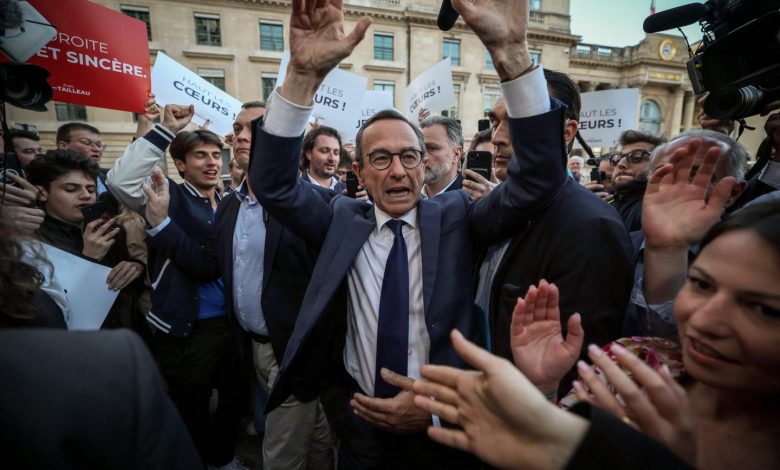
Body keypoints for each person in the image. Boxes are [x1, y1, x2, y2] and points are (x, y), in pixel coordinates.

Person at [248, 0, 572, 466]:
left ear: (425, 164)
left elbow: (539, 177)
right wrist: (301, 77)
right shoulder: (340, 219)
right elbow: (273, 184)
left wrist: (512, 54)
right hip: (358, 426)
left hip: (444, 430)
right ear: (359, 172)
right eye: (381, 158)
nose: (398, 171)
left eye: (410, 156)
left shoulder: (458, 217)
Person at [470, 69, 633, 393]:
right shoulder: (486, 209)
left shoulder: (592, 226)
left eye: (516, 121)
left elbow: (580, 371)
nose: (497, 137)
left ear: (566, 132)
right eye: (495, 121)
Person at [107, 105, 242, 468]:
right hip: (186, 327)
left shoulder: (230, 201)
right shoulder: (168, 196)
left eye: (215, 155)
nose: (211, 162)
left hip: (231, 324)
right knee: (190, 406)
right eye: (200, 155)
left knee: (233, 402)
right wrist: (165, 130)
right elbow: (120, 182)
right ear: (180, 165)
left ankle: (222, 459)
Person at [215, 101, 333, 469]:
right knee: (318, 436)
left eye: (255, 129)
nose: (240, 136)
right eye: (237, 128)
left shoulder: (315, 203)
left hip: (293, 354)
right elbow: (212, 266)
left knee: (280, 457)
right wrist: (160, 226)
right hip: (253, 347)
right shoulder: (229, 206)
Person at [26, 150, 146, 330]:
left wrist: (136, 267)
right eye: (71, 189)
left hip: (126, 332)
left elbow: (129, 282)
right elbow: (52, 308)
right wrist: (89, 259)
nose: (86, 195)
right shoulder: (33, 242)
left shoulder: (109, 227)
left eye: (90, 189)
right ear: (42, 193)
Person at [607, 130, 666, 232]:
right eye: (619, 158)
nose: (621, 164)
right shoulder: (608, 202)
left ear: (659, 164)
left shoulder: (659, 209)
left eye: (636, 157)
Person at [56, 122, 112, 196]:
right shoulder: (48, 176)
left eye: (99, 145)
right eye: (86, 143)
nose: (96, 149)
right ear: (63, 146)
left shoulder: (110, 176)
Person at [419, 116, 464, 197]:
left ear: (456, 154)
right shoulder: (408, 197)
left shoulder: (472, 198)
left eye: (432, 148)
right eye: (419, 149)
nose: (423, 157)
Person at [301, 125, 345, 191]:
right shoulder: (294, 192)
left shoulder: (348, 191)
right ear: (309, 154)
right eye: (324, 151)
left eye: (336, 153)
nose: (332, 158)